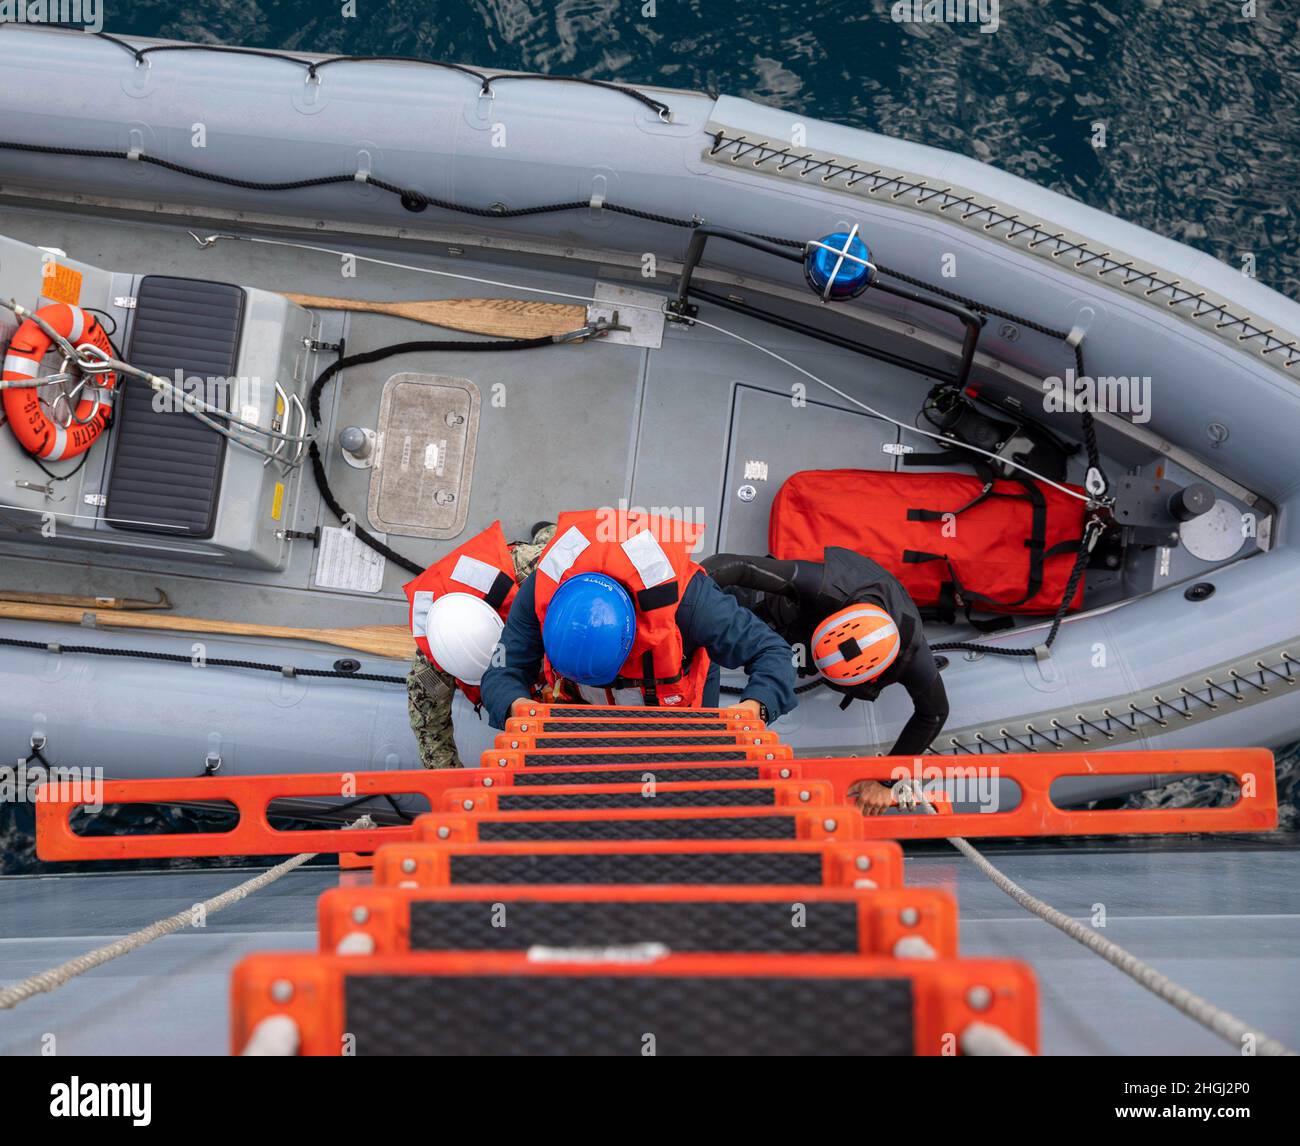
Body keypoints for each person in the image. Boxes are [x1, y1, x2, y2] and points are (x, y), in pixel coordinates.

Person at [480, 508, 796, 727]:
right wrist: (515, 705)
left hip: (678, 697)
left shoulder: (691, 602)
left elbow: (772, 652)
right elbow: (502, 669)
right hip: (585, 709)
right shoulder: (539, 592)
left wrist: (756, 708)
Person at [703, 546, 949, 814]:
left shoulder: (913, 658)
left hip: (809, 642)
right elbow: (739, 565)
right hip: (782, 615)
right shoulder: (827, 586)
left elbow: (934, 712)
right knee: (731, 608)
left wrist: (886, 778)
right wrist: (693, 594)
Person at [403, 521, 555, 768]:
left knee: (551, 540)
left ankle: (545, 531)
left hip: (518, 568)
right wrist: (455, 787)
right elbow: (430, 732)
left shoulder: (531, 569)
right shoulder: (430, 669)